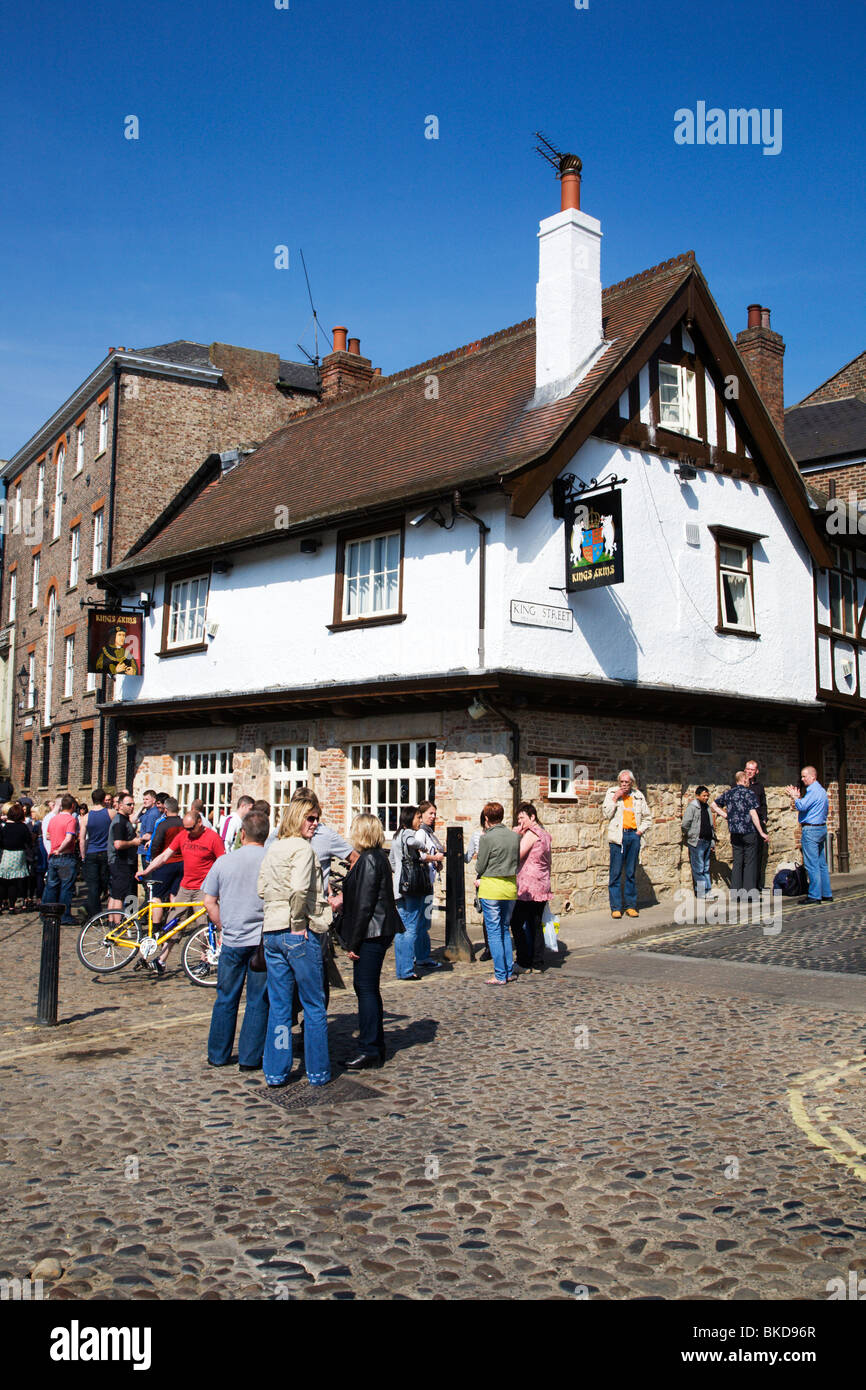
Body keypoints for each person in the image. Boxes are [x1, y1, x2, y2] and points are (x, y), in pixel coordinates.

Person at [257, 796, 331, 1088]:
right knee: (314, 1005)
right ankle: (318, 1071)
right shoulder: (302, 848)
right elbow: (300, 888)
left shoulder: (273, 848)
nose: (315, 824)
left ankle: (276, 1071)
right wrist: (299, 922)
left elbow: (261, 888)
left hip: (271, 931)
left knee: (279, 1006)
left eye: (317, 819)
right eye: (310, 818)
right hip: (297, 931)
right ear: (296, 818)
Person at [329, 813, 404, 1069]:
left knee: (366, 989)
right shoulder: (374, 858)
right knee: (367, 988)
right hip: (375, 930)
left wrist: (353, 942)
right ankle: (375, 1044)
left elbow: (364, 905)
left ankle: (370, 1048)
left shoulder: (370, 860)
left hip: (372, 932)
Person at [203, 809, 270, 1071]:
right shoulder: (271, 859)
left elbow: (209, 900)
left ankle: (218, 1054)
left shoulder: (224, 862)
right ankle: (250, 1057)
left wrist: (223, 924)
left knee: (226, 998)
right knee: (257, 1000)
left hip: (233, 938)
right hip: (261, 941)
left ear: (242, 834)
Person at [140, 808, 224, 974]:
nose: (188, 832)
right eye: (185, 828)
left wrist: (220, 886)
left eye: (191, 828)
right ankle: (161, 961)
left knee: (203, 928)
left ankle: (205, 961)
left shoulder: (212, 838)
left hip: (204, 888)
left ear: (200, 823)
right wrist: (147, 870)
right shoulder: (183, 835)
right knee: (173, 923)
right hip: (185, 886)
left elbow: (222, 862)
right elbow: (165, 856)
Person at [475, 802, 520, 985]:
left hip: (491, 887)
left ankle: (500, 974)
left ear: (486, 818)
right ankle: (508, 971)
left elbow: (480, 866)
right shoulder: (514, 836)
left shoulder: (486, 838)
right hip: (510, 887)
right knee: (504, 930)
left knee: (493, 932)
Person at [603, 770, 652, 919]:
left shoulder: (638, 795)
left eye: (626, 782)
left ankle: (631, 906)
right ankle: (616, 907)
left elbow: (647, 818)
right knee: (615, 873)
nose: (624, 785)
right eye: (622, 782)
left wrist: (639, 832)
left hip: (633, 835)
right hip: (618, 836)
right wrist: (615, 798)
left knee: (630, 873)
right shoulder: (612, 792)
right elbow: (606, 814)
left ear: (632, 783)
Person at [511, 802, 553, 973]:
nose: (520, 821)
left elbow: (517, 854)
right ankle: (537, 961)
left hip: (528, 885)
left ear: (532, 817)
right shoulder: (545, 834)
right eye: (518, 818)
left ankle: (524, 961)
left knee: (517, 922)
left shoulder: (531, 833)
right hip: (542, 883)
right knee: (535, 923)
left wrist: (516, 836)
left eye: (522, 818)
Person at [711, 772, 769, 893]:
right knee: (750, 863)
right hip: (748, 831)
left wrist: (727, 816)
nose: (748, 782)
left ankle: (735, 893)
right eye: (747, 780)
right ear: (743, 780)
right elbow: (753, 814)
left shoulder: (729, 793)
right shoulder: (749, 793)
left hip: (735, 832)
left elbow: (713, 805)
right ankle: (748, 893)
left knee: (737, 862)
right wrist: (761, 832)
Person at [389, 805, 427, 981]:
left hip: (398, 887)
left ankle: (401, 968)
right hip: (411, 887)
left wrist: (399, 873)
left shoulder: (396, 836)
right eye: (418, 817)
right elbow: (413, 842)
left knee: (401, 929)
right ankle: (406, 969)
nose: (420, 821)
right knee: (411, 928)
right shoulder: (407, 833)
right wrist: (423, 846)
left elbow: (392, 862)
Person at [785, 766, 831, 904]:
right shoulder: (822, 791)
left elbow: (802, 807)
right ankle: (826, 893)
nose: (802, 779)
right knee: (822, 863)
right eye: (802, 776)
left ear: (813, 777)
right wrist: (800, 798)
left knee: (812, 865)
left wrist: (795, 797)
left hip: (811, 830)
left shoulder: (813, 792)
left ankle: (814, 895)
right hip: (821, 828)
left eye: (805, 776)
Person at [414, 800, 445, 969]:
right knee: (422, 922)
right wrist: (435, 859)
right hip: (423, 882)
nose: (433, 816)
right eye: (430, 813)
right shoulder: (421, 833)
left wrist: (436, 863)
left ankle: (422, 955)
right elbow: (419, 855)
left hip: (429, 881)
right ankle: (421, 957)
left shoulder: (429, 833)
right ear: (422, 815)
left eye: (434, 813)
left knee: (425, 921)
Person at [41, 793, 80, 924]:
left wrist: (56, 844)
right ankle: (64, 916)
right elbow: (69, 838)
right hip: (65, 857)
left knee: (52, 886)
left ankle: (47, 913)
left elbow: (47, 836)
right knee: (66, 887)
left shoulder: (53, 819)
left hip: (53, 857)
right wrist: (61, 848)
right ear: (73, 806)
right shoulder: (71, 820)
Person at [106, 791, 144, 924]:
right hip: (120, 862)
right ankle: (117, 925)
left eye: (133, 804)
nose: (132, 807)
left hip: (121, 862)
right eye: (129, 804)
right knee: (119, 896)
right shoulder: (119, 822)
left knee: (115, 894)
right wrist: (134, 842)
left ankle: (112, 922)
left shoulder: (123, 820)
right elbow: (118, 844)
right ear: (120, 805)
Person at [79, 788, 114, 921]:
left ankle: (94, 914)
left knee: (93, 885)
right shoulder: (110, 813)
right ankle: (98, 912)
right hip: (106, 852)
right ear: (104, 799)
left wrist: (83, 855)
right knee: (104, 883)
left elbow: (82, 839)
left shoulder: (86, 817)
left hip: (91, 852)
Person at [682, 786, 716, 900]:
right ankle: (702, 893)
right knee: (699, 868)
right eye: (704, 796)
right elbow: (685, 823)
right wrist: (691, 835)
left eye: (707, 796)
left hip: (707, 841)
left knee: (706, 868)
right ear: (697, 796)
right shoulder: (692, 807)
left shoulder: (706, 808)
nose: (706, 798)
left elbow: (711, 826)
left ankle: (708, 891)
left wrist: (712, 842)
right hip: (697, 841)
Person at [0, 803, 32, 912]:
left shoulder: (4, 827)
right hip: (19, 854)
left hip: (7, 853)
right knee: (14, 882)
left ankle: (1, 905)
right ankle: (12, 906)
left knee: (4, 881)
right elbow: (28, 840)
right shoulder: (23, 827)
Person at [745, 759, 769, 890]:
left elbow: (764, 804)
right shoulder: (741, 785)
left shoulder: (759, 786)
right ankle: (748, 885)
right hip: (746, 825)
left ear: (756, 771)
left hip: (759, 823)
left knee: (759, 855)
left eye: (752, 769)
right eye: (747, 769)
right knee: (748, 856)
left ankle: (758, 884)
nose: (749, 772)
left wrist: (764, 819)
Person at [135, 790, 161, 870]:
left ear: (153, 800)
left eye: (147, 799)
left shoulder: (152, 814)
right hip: (144, 850)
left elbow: (149, 835)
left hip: (147, 851)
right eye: (143, 799)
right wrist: (141, 807)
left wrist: (137, 839)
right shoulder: (147, 812)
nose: (144, 801)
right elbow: (134, 820)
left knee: (148, 877)